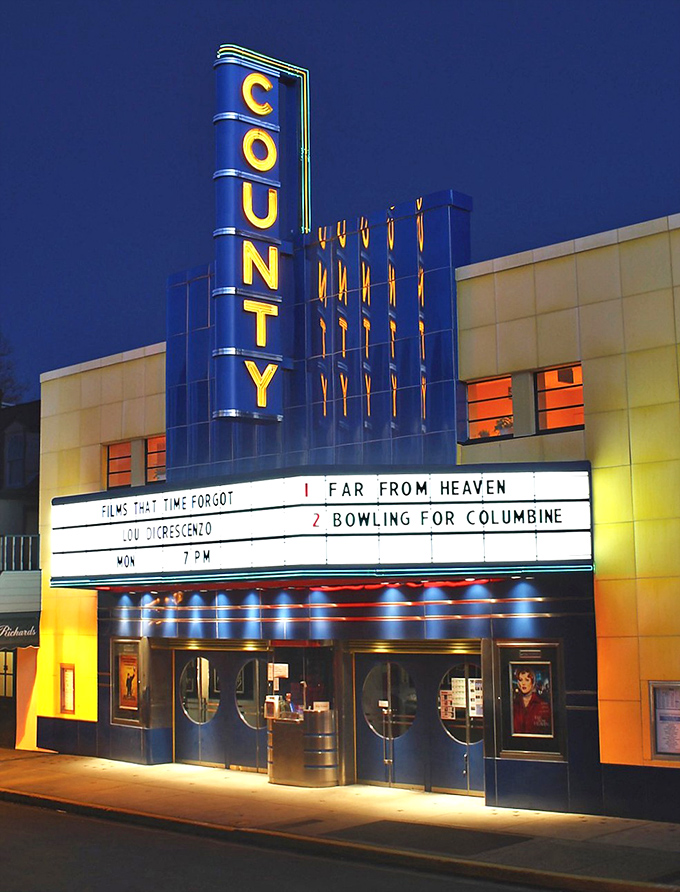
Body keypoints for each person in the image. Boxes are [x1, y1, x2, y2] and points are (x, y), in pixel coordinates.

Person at [512, 668, 552, 735]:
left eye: (527, 680)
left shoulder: (542, 704)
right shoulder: (513, 704)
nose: (523, 683)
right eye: (520, 680)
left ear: (532, 682)